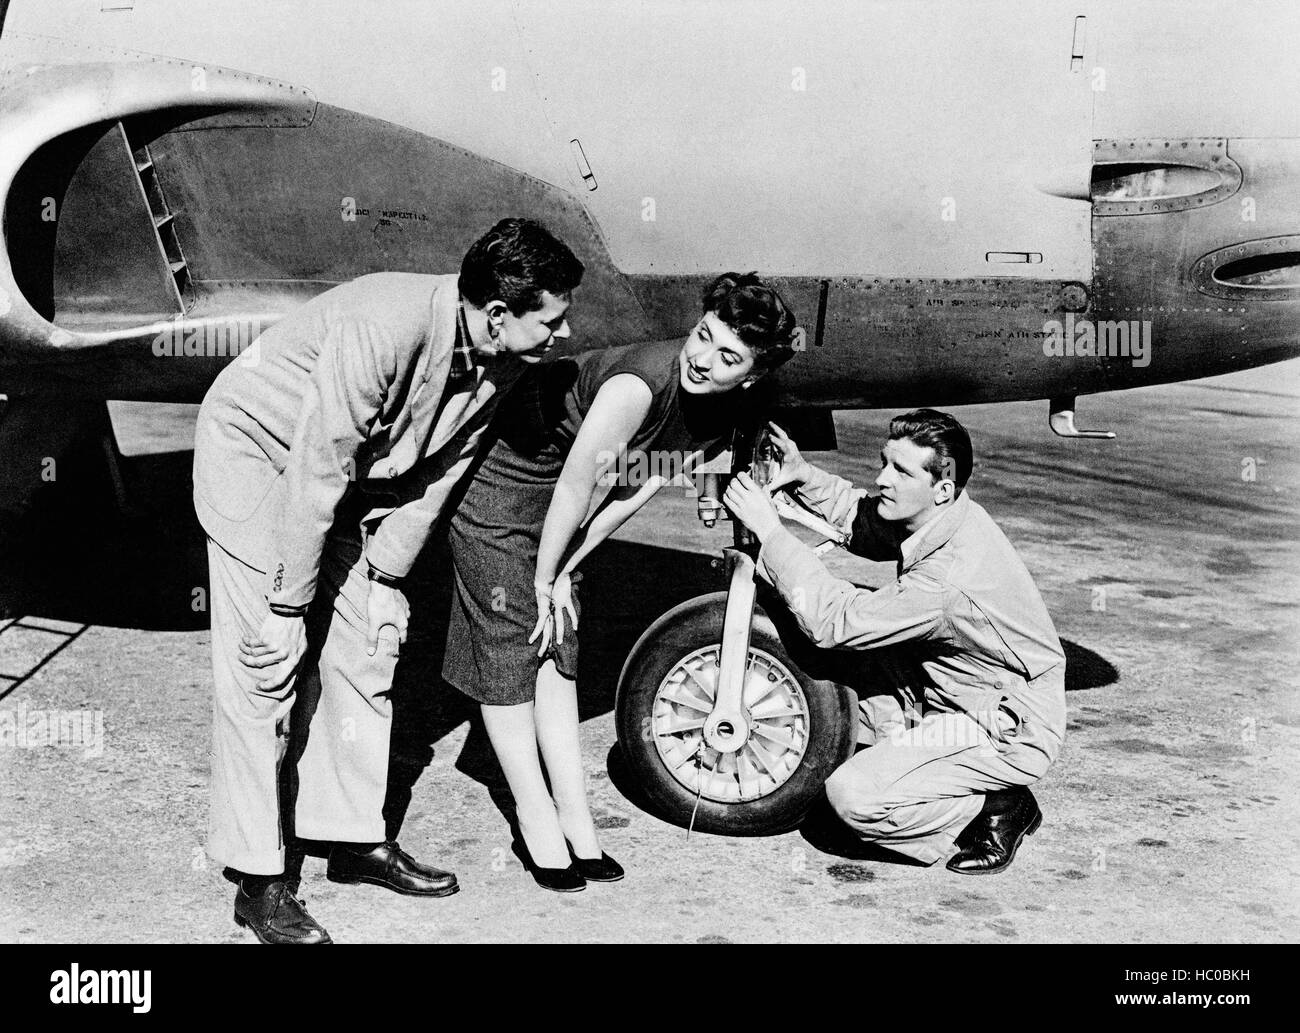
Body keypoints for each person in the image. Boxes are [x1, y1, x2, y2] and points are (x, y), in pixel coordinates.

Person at [193, 218, 583, 942]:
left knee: (370, 645)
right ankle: (259, 877)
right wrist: (285, 603)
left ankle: (349, 836)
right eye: (553, 320)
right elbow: (316, 463)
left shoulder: (504, 356)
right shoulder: (383, 325)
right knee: (264, 670)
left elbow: (441, 471)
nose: (563, 334)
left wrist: (385, 576)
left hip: (348, 478)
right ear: (499, 313)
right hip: (261, 457)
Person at [443, 273, 800, 890]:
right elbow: (583, 481)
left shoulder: (725, 409)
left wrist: (565, 569)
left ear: (750, 376)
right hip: (505, 486)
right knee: (514, 637)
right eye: (702, 335)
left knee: (562, 641)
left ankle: (575, 815)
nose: (701, 359)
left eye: (726, 357)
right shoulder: (638, 387)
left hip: (565, 499)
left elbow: (636, 488)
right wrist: (544, 577)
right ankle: (534, 812)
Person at [722, 410, 1066, 873]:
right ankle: (926, 757)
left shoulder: (949, 579)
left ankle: (993, 808)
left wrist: (771, 532)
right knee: (844, 666)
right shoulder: (946, 513)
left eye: (901, 471)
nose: (882, 478)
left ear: (941, 488)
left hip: (1003, 727)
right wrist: (803, 475)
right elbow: (869, 520)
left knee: (853, 796)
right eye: (885, 462)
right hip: (953, 685)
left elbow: (834, 620)